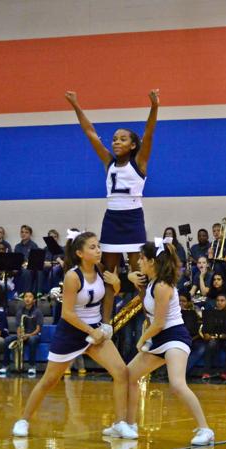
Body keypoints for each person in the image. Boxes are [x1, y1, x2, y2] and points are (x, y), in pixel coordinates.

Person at [12, 232, 130, 439]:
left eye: (98, 246)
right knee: (49, 380)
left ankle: (119, 424)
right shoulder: (72, 276)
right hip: (71, 332)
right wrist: (92, 331)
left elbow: (112, 294)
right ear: (80, 253)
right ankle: (23, 420)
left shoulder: (101, 270)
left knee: (121, 372)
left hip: (94, 331)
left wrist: (117, 284)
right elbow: (67, 313)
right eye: (92, 247)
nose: (98, 250)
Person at [65, 89, 159, 324]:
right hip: (112, 220)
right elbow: (91, 134)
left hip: (133, 219)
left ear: (133, 145)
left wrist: (154, 106)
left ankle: (151, 323)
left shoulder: (140, 163)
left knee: (139, 277)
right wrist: (76, 105)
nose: (116, 142)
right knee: (109, 275)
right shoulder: (109, 162)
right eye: (115, 139)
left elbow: (148, 134)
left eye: (122, 139)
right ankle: (105, 324)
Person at [124, 238, 214, 446]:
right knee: (129, 375)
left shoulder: (162, 286)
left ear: (151, 262)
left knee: (177, 384)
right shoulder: (152, 281)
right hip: (159, 338)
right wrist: (130, 275)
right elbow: (130, 274)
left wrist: (141, 339)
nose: (139, 263)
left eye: (142, 259)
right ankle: (129, 425)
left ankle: (205, 430)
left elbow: (159, 322)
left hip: (174, 337)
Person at [0, 291, 42, 376]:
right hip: (22, 335)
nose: (27, 299)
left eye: (30, 297)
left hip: (33, 335)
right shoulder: (20, 312)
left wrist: (28, 335)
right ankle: (5, 365)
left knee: (33, 340)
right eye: (26, 296)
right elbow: (18, 327)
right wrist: (20, 335)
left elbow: (38, 329)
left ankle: (32, 366)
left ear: (34, 300)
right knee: (7, 339)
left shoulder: (38, 312)